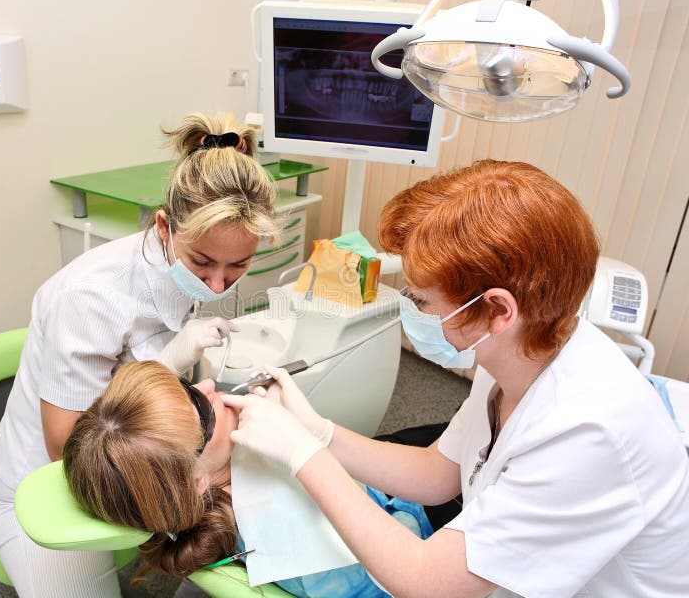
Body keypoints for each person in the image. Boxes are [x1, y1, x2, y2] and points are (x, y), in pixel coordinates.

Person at [224, 160, 689, 597]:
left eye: (422, 301)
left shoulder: (589, 432)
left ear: (498, 310)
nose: (409, 308)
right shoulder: (519, 351)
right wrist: (320, 432)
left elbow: (427, 582)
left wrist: (304, 457)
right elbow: (436, 476)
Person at [0, 112, 282, 597]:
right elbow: (70, 450)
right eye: (203, 263)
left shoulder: (186, 263)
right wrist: (166, 367)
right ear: (164, 227)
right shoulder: (91, 300)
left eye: (239, 266)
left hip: (139, 462)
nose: (216, 285)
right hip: (50, 485)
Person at [62, 360, 434, 598]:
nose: (209, 385)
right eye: (202, 413)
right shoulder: (306, 545)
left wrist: (316, 434)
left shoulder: (195, 505)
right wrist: (313, 451)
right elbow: (409, 568)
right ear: (194, 482)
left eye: (188, 387)